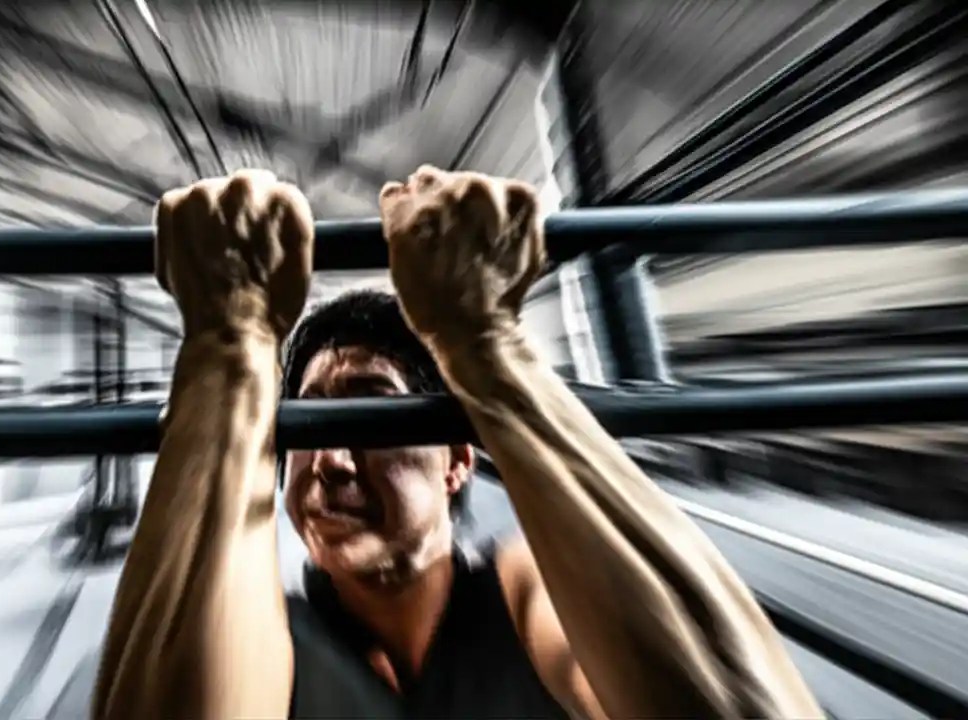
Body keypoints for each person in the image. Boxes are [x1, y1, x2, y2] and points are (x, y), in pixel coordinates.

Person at [90, 166, 822, 719]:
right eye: (308, 426)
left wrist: (485, 345)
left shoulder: (522, 594)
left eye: (369, 417)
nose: (331, 462)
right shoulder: (278, 635)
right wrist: (231, 340)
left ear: (457, 463)